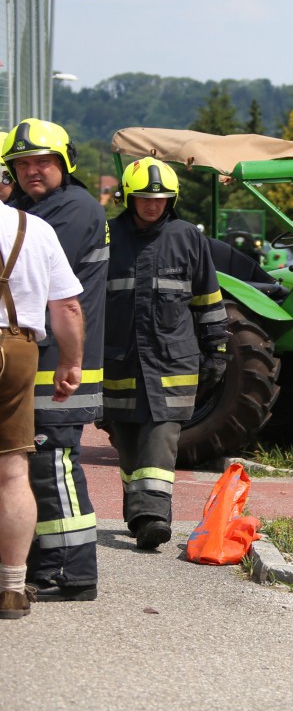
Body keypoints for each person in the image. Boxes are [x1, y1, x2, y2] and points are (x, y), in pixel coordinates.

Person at [3, 119, 108, 602]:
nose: (31, 172)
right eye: (22, 165)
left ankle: (72, 571)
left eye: (42, 162)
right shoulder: (35, 209)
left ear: (64, 164)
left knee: (53, 463)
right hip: (41, 359)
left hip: (60, 364)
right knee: (32, 466)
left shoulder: (72, 210)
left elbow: (43, 285)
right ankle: (43, 566)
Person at [103, 157, 228, 550]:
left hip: (172, 361)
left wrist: (217, 350)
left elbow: (208, 299)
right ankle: (138, 510)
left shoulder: (187, 237)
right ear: (129, 197)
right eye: (144, 198)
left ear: (171, 199)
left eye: (160, 198)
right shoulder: (107, 236)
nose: (152, 204)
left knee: (161, 436)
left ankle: (153, 515)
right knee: (126, 442)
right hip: (118, 360)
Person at [0, 202, 84, 620]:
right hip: (18, 348)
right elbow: (66, 306)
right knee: (13, 472)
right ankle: (12, 589)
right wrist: (71, 361)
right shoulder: (34, 228)